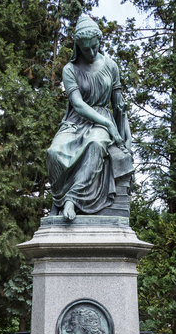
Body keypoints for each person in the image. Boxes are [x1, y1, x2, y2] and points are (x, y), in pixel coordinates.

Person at [46, 16, 131, 221]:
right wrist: (108, 123)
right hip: (76, 121)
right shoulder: (70, 69)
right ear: (78, 47)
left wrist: (126, 137)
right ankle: (59, 200)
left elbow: (119, 106)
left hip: (101, 121)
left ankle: (72, 199)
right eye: (86, 49)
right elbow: (77, 103)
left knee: (95, 143)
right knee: (54, 152)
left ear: (99, 41)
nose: (91, 52)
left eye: (94, 46)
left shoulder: (111, 66)